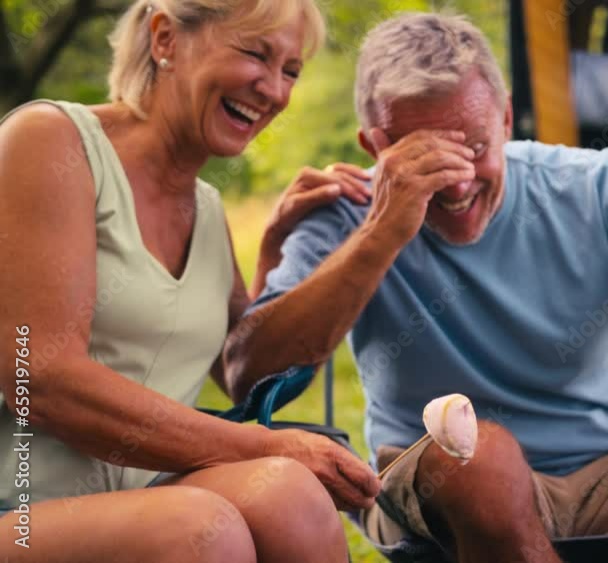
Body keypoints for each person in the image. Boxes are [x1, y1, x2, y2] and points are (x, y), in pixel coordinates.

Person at [226, 12, 608, 563]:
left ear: (509, 118)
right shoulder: (345, 215)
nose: (458, 185)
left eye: (476, 148)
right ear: (373, 147)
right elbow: (250, 375)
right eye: (425, 160)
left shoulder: (593, 187)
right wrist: (383, 230)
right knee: (480, 455)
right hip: (442, 481)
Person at [0, 1, 380, 561]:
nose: (274, 89)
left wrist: (289, 255)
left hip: (150, 492)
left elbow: (245, 378)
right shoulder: (47, 140)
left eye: (291, 71)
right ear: (165, 39)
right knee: (203, 529)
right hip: (23, 512)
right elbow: (39, 377)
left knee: (289, 496)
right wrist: (260, 444)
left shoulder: (205, 208)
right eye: (255, 52)